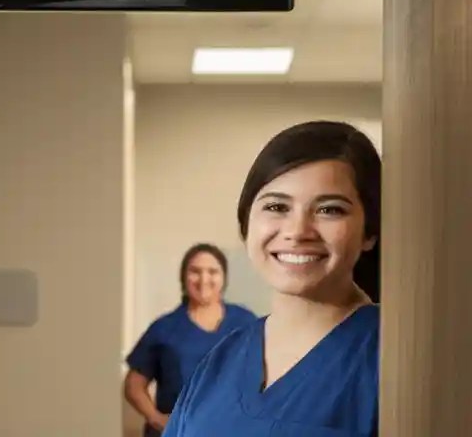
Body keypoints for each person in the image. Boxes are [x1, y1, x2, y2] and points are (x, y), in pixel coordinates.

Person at [162, 120, 381, 436]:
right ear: (247, 223)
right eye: (277, 206)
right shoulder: (221, 361)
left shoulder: (387, 359)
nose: (297, 232)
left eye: (330, 210)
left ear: (370, 232)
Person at [124, 243, 258, 435]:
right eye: (195, 271)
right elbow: (133, 385)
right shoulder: (165, 328)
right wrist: (155, 418)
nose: (204, 279)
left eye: (213, 272)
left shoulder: (245, 322)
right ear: (183, 278)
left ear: (224, 278)